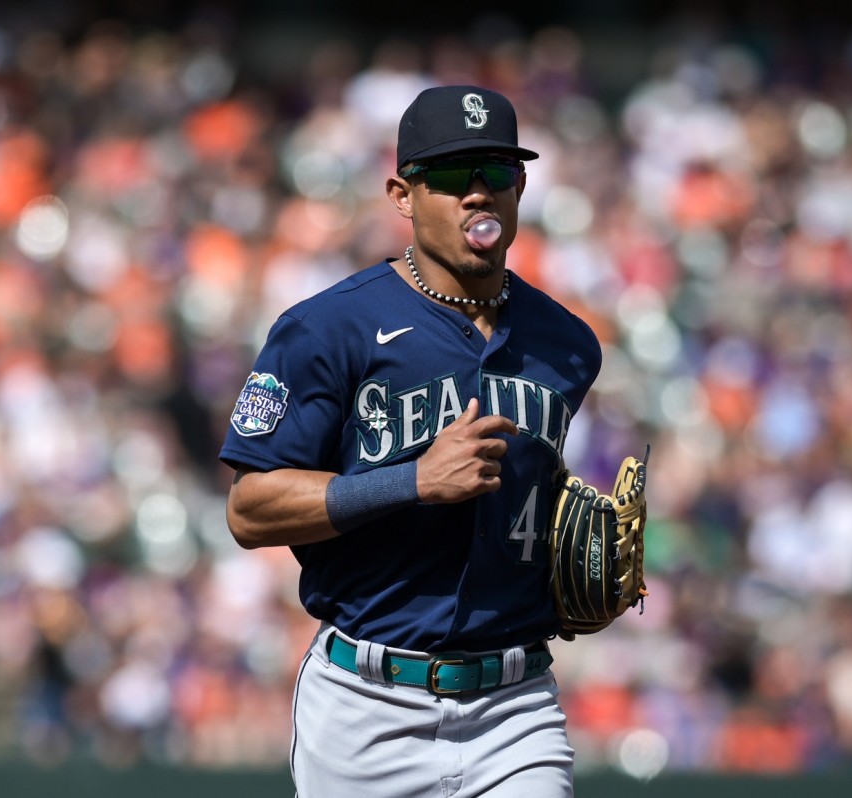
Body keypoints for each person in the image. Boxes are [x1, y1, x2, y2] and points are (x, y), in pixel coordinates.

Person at [220, 84, 602, 797]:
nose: (478, 193)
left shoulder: (568, 344)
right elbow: (250, 509)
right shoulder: (327, 329)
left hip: (515, 706)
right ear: (403, 193)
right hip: (366, 703)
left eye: (499, 172)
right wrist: (413, 481)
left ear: (521, 188)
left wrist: (567, 562)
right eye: (453, 175)